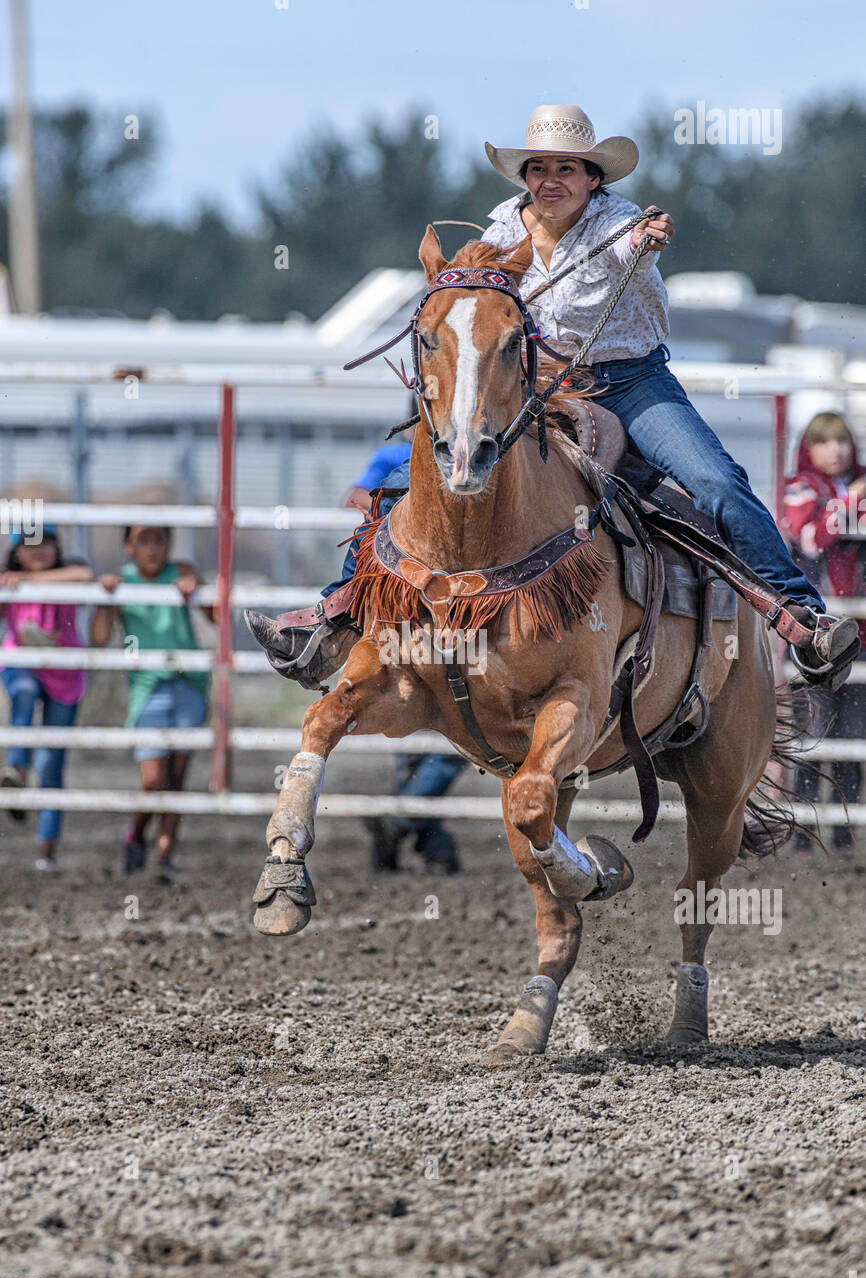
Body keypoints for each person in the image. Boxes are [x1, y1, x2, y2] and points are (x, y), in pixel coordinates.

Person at [246, 101, 858, 694]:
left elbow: (632, 249)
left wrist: (647, 239)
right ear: (525, 177)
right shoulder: (502, 228)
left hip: (630, 383)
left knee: (716, 481)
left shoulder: (621, 226)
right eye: (539, 168)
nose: (550, 179)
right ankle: (336, 613)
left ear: (593, 178)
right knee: (423, 479)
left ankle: (802, 617)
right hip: (536, 384)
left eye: (566, 168)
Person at [340, 414, 464, 874]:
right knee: (448, 727)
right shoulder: (397, 457)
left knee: (426, 723)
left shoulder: (469, 451)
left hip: (439, 601)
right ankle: (417, 828)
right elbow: (355, 499)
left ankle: (410, 830)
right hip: (418, 601)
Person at [90, 526, 213, 881]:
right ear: (129, 546)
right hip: (148, 689)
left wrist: (199, 586)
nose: (153, 548)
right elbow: (98, 638)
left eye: (160, 539)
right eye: (144, 540)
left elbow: (216, 616)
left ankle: (164, 855)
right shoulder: (121, 582)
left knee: (177, 779)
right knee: (154, 780)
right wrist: (106, 598)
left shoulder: (182, 573)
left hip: (189, 684)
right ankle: (136, 834)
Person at [783, 413, 866, 850]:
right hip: (811, 638)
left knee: (853, 737)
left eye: (842, 440)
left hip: (861, 639)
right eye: (824, 441)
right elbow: (811, 538)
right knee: (811, 736)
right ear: (809, 448)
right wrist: (851, 501)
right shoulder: (800, 487)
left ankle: (845, 835)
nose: (835, 449)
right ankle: (801, 835)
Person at [0, 526, 92, 870]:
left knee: (51, 764)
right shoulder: (8, 581)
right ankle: (17, 769)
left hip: (65, 674)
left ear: (57, 547)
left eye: (45, 543)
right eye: (27, 544)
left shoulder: (67, 576)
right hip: (22, 664)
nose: (37, 551)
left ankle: (46, 851)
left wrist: (29, 581)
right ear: (15, 551)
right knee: (22, 693)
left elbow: (84, 574)